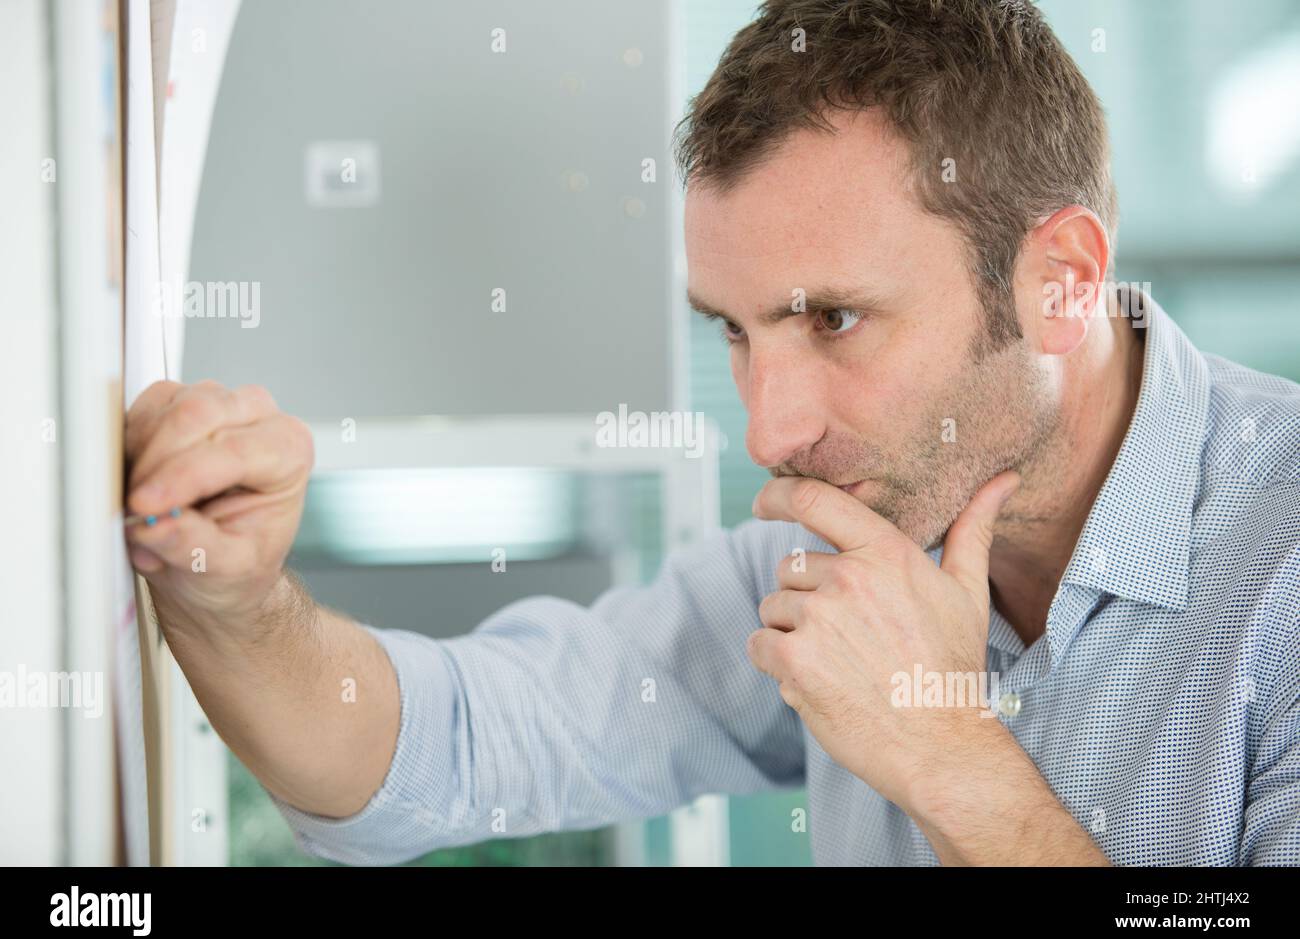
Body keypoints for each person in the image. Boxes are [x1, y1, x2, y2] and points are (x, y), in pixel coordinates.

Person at [123, 0, 1300, 865]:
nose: (769, 430)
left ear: (1061, 279)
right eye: (733, 332)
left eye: (834, 318)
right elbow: (443, 746)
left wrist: (945, 751)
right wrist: (236, 599)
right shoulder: (835, 545)